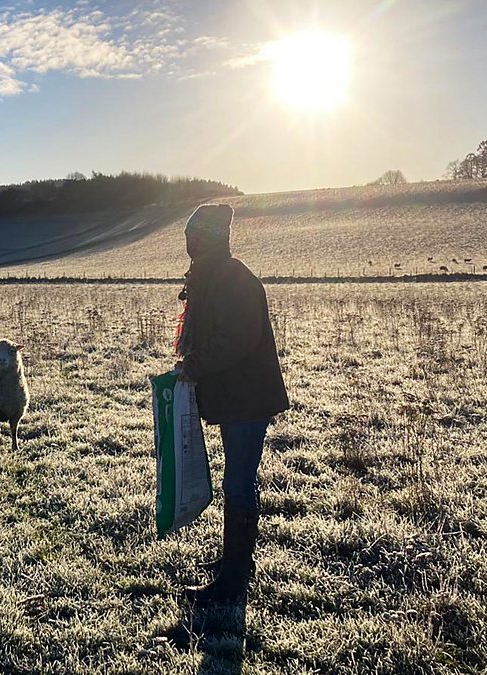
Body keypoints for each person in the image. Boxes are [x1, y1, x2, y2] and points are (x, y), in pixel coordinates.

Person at [174, 203, 289, 625]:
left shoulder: (234, 278)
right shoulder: (213, 276)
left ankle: (234, 580)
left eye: (196, 237)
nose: (191, 245)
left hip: (248, 398)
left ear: (210, 238)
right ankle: (235, 564)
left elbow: (237, 338)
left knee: (238, 484)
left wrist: (196, 365)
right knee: (237, 483)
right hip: (238, 396)